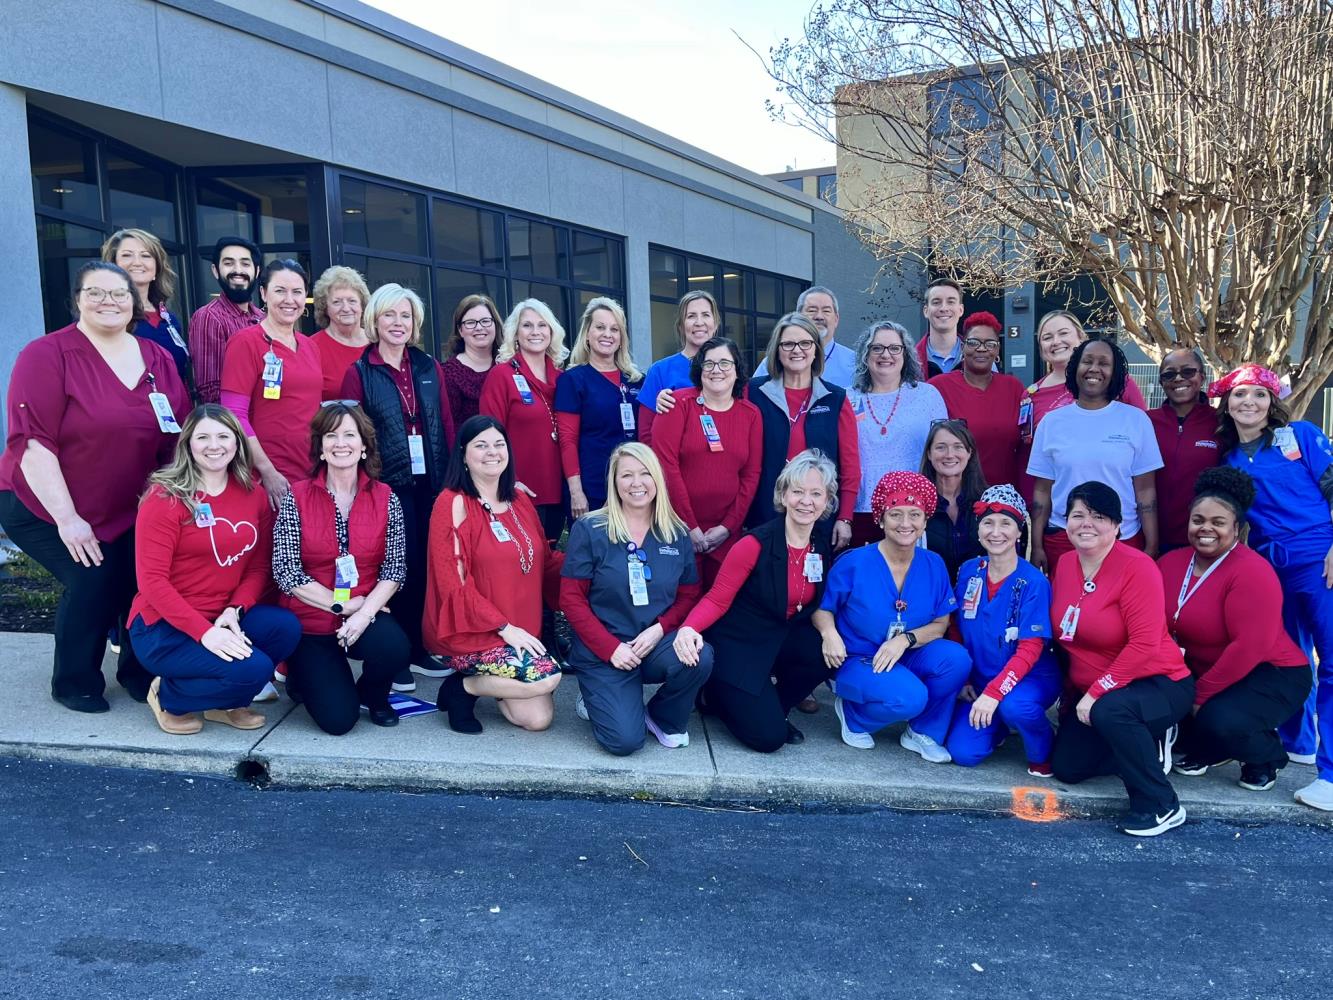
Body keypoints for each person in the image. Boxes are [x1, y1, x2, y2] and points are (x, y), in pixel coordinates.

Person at [0, 261, 189, 713]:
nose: (109, 301)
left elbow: (174, 437)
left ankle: (138, 671)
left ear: (134, 302)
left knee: (139, 581)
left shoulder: (156, 359)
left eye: (119, 294)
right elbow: (32, 442)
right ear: (78, 300)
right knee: (92, 577)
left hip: (125, 506)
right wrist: (69, 520)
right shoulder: (47, 354)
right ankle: (75, 681)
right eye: (96, 292)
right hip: (43, 503)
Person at [128, 405, 301, 734]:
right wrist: (205, 633)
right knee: (254, 670)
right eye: (202, 437)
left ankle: (227, 702)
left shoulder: (253, 495)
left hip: (222, 614)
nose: (214, 445)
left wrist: (235, 610)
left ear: (237, 443)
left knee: (285, 628)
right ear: (188, 444)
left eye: (223, 436)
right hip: (163, 626)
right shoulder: (165, 497)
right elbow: (151, 581)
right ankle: (168, 695)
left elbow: (258, 565)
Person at [1214, 364, 1333, 811]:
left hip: (1319, 559)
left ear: (1272, 402)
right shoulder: (1227, 460)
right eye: (1240, 395)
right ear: (1227, 403)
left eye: (1259, 395)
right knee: (1288, 657)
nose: (1249, 403)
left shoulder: (1300, 436)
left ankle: (1331, 774)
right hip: (1270, 569)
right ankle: (1298, 740)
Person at [1048, 481, 1194, 837]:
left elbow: (1144, 644)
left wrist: (1096, 692)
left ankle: (1161, 805)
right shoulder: (1066, 563)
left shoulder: (1138, 567)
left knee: (1111, 711)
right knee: (1068, 766)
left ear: (1117, 525)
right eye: (1077, 515)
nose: (1086, 523)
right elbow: (1068, 637)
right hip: (1099, 693)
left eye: (1098, 516)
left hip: (1158, 682)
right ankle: (1143, 741)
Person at [1159, 467, 1311, 791]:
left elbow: (1249, 648)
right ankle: (1212, 748)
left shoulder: (1251, 571)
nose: (1206, 529)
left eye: (1218, 523)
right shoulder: (1170, 563)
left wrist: (1199, 697)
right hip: (1207, 668)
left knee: (1217, 720)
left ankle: (1266, 756)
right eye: (1198, 520)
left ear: (1238, 529)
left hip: (1272, 672)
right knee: (1169, 711)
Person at [673, 450, 836, 751]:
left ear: (827, 501)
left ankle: (775, 708)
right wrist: (689, 628)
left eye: (816, 493)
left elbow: (812, 602)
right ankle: (716, 695)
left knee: (822, 653)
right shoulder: (753, 544)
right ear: (784, 495)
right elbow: (717, 599)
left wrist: (829, 633)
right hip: (740, 645)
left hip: (778, 639)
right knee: (769, 739)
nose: (806, 501)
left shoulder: (820, 546)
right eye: (798, 491)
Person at [339, 283, 455, 688]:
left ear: (415, 323)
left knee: (424, 564)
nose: (398, 323)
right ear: (375, 320)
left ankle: (421, 647)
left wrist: (450, 481)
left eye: (405, 316)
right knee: (394, 565)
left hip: (430, 482)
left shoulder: (427, 367)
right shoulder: (359, 372)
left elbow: (444, 425)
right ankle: (397, 651)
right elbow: (349, 433)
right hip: (385, 485)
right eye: (389, 315)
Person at [561, 443, 711, 755]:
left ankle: (662, 717)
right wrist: (610, 648)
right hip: (603, 649)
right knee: (624, 742)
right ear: (614, 482)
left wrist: (660, 629)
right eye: (626, 475)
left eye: (644, 474)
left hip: (654, 644)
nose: (636, 483)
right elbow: (571, 600)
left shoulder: (676, 532)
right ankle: (595, 693)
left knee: (700, 656)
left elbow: (688, 595)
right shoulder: (590, 529)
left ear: (657, 479)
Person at [813, 471, 970, 761]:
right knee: (910, 697)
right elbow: (823, 609)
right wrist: (829, 633)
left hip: (907, 653)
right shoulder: (854, 562)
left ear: (925, 522)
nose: (905, 523)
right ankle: (854, 715)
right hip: (859, 657)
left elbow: (941, 623)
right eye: (896, 514)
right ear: (881, 519)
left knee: (956, 659)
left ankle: (922, 732)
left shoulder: (934, 564)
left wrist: (905, 641)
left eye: (915, 515)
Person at [423, 415, 564, 734]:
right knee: (549, 677)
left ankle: (477, 683)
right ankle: (464, 689)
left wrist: (587, 561)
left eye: (499, 444)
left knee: (537, 719)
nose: (492, 452)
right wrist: (503, 628)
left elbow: (545, 562)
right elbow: (453, 586)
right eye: (481, 445)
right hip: (473, 633)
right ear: (463, 454)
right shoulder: (453, 503)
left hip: (519, 634)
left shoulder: (520, 500)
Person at [273, 403, 408, 733]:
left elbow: (394, 568)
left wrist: (362, 614)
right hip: (312, 619)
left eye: (350, 434)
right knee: (339, 721)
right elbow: (285, 570)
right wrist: (342, 604)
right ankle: (304, 677)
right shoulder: (297, 496)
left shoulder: (386, 497)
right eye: (331, 436)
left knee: (394, 647)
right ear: (320, 447)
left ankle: (374, 696)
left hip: (365, 612)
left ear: (364, 446)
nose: (340, 443)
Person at [942, 486, 1060, 774]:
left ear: (1020, 531)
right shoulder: (969, 570)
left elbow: (1031, 648)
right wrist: (966, 677)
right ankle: (999, 727)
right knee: (963, 752)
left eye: (1005, 523)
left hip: (1029, 680)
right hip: (981, 679)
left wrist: (995, 693)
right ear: (978, 529)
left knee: (1015, 707)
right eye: (988, 523)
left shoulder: (1033, 582)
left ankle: (1043, 745)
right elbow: (956, 626)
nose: (996, 532)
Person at [1028, 339, 1163, 572]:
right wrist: (1037, 545)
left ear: (1115, 372)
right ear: (1075, 368)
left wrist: (1151, 544)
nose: (1094, 368)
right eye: (1087, 361)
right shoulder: (1051, 422)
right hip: (1064, 538)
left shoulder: (1136, 420)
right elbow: (1042, 490)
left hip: (1123, 537)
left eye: (1104, 363)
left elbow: (1145, 490)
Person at [651, 336, 763, 587]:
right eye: (709, 364)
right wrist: (689, 526)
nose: (716, 370)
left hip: (726, 534)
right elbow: (665, 467)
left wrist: (728, 527)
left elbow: (751, 474)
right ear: (699, 369)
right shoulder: (677, 404)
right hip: (677, 529)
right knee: (679, 606)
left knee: (719, 609)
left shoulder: (751, 415)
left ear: (737, 370)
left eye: (725, 363)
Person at [746, 313, 859, 549]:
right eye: (788, 344)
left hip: (818, 515)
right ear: (776, 350)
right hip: (763, 513)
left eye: (805, 343)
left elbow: (850, 466)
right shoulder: (753, 392)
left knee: (812, 583)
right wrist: (669, 398)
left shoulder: (836, 398)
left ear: (816, 349)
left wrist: (845, 517)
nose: (797, 350)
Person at [220, 258, 322, 507]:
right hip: (269, 477)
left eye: (297, 292)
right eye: (280, 291)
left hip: (312, 472)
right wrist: (267, 471)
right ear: (263, 293)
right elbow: (234, 415)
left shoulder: (310, 345)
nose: (290, 299)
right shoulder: (245, 343)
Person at [1018, 310, 1147, 502]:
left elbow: (1143, 443)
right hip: (1057, 506)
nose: (1055, 341)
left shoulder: (1119, 382)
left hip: (1114, 501)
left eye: (1063, 333)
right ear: (1041, 348)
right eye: (1047, 337)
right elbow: (1030, 455)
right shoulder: (1030, 395)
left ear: (1081, 337)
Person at [847, 322, 947, 546]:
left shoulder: (928, 396)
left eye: (894, 348)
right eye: (877, 348)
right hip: (861, 510)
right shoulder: (848, 399)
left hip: (914, 512)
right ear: (865, 354)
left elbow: (942, 450)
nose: (886, 355)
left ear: (906, 353)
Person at [479, 298, 567, 541]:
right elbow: (488, 436)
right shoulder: (502, 376)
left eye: (542, 325)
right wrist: (510, 482)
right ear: (515, 333)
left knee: (551, 564)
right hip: (520, 490)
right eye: (527, 325)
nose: (536, 332)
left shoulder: (563, 379)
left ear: (552, 332)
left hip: (560, 492)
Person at [555, 297, 644, 519]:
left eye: (615, 329)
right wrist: (576, 492)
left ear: (622, 338)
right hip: (593, 487)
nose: (608, 334)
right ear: (587, 333)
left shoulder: (637, 380)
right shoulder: (573, 380)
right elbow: (567, 440)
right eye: (600, 327)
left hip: (634, 487)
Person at [929, 312, 1026, 487]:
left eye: (990, 343)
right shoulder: (938, 388)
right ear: (962, 347)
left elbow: (1024, 446)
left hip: (1004, 498)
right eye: (973, 342)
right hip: (956, 497)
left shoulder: (1014, 388)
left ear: (997, 350)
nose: (982, 349)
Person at [1148, 348, 1220, 552]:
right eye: (1169, 374)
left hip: (1204, 538)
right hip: (1151, 538)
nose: (1178, 378)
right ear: (1162, 382)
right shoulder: (1146, 421)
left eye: (1187, 372)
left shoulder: (1221, 422)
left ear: (1202, 377)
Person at [102, 228, 191, 388]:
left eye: (146, 255)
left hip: (174, 410)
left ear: (156, 268)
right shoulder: (103, 315)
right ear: (112, 264)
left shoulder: (169, 319)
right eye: (127, 255)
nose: (137, 262)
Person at [189, 236, 264, 404]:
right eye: (229, 263)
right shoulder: (209, 317)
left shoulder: (263, 318)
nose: (238, 270)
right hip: (235, 425)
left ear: (256, 271)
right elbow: (210, 392)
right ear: (216, 270)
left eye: (245, 264)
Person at [637, 290, 719, 445]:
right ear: (681, 326)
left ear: (715, 323)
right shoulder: (660, 371)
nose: (699, 322)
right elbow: (646, 435)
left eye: (706, 315)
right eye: (691, 316)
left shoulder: (728, 370)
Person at [921, 419, 988, 584]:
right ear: (929, 454)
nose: (949, 454)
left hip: (979, 600)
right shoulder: (915, 506)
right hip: (932, 599)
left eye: (958, 446)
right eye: (940, 447)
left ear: (969, 453)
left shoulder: (989, 503)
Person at [754, 287, 856, 386]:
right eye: (812, 310)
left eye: (826, 311)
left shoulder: (856, 363)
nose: (819, 317)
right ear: (798, 317)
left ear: (836, 319)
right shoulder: (774, 362)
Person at [441, 293, 502, 429]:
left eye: (485, 321)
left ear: (495, 325)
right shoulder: (448, 374)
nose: (479, 327)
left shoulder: (509, 366)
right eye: (470, 323)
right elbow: (449, 428)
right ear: (460, 330)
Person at [310, 266, 371, 400]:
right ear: (325, 308)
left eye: (352, 301)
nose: (346, 308)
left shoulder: (378, 342)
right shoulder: (311, 347)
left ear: (362, 305)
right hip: (332, 420)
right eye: (337, 302)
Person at [915, 278, 965, 376]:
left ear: (960, 310)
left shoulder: (978, 357)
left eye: (950, 302)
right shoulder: (909, 360)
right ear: (926, 311)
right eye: (936, 302)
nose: (944, 308)